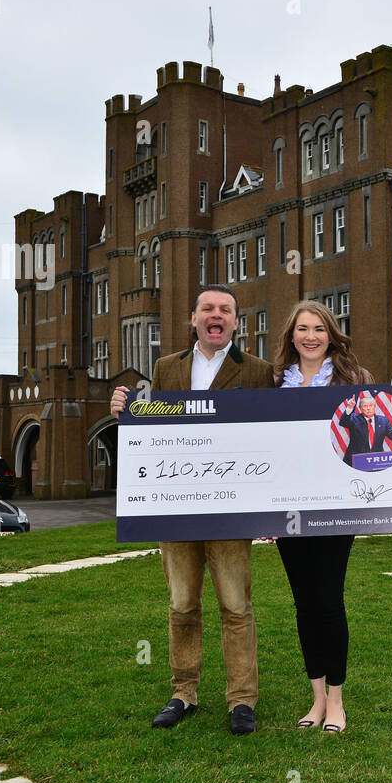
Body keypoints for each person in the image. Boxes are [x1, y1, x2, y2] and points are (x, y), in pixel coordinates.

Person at [110, 284, 274, 735]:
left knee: (235, 607)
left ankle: (242, 701)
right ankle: (183, 692)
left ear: (237, 322)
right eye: (207, 308)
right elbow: (151, 430)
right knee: (183, 605)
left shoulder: (259, 371)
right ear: (194, 318)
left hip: (231, 512)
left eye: (225, 309)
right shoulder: (166, 368)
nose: (216, 315)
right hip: (177, 511)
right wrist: (125, 409)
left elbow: (286, 429)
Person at [272, 300, 392, 733]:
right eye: (302, 328)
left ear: (331, 334)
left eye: (318, 329)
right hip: (288, 512)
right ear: (291, 335)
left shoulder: (353, 380)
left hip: (337, 508)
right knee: (303, 603)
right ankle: (316, 699)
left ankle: (337, 701)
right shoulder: (274, 383)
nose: (310, 336)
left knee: (328, 599)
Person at [338, 393, 392, 468]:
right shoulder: (354, 418)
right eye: (365, 406)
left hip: (375, 462)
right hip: (354, 462)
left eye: (371, 406)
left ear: (374, 407)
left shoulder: (383, 421)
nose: (368, 408)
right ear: (360, 408)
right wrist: (349, 408)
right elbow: (343, 422)